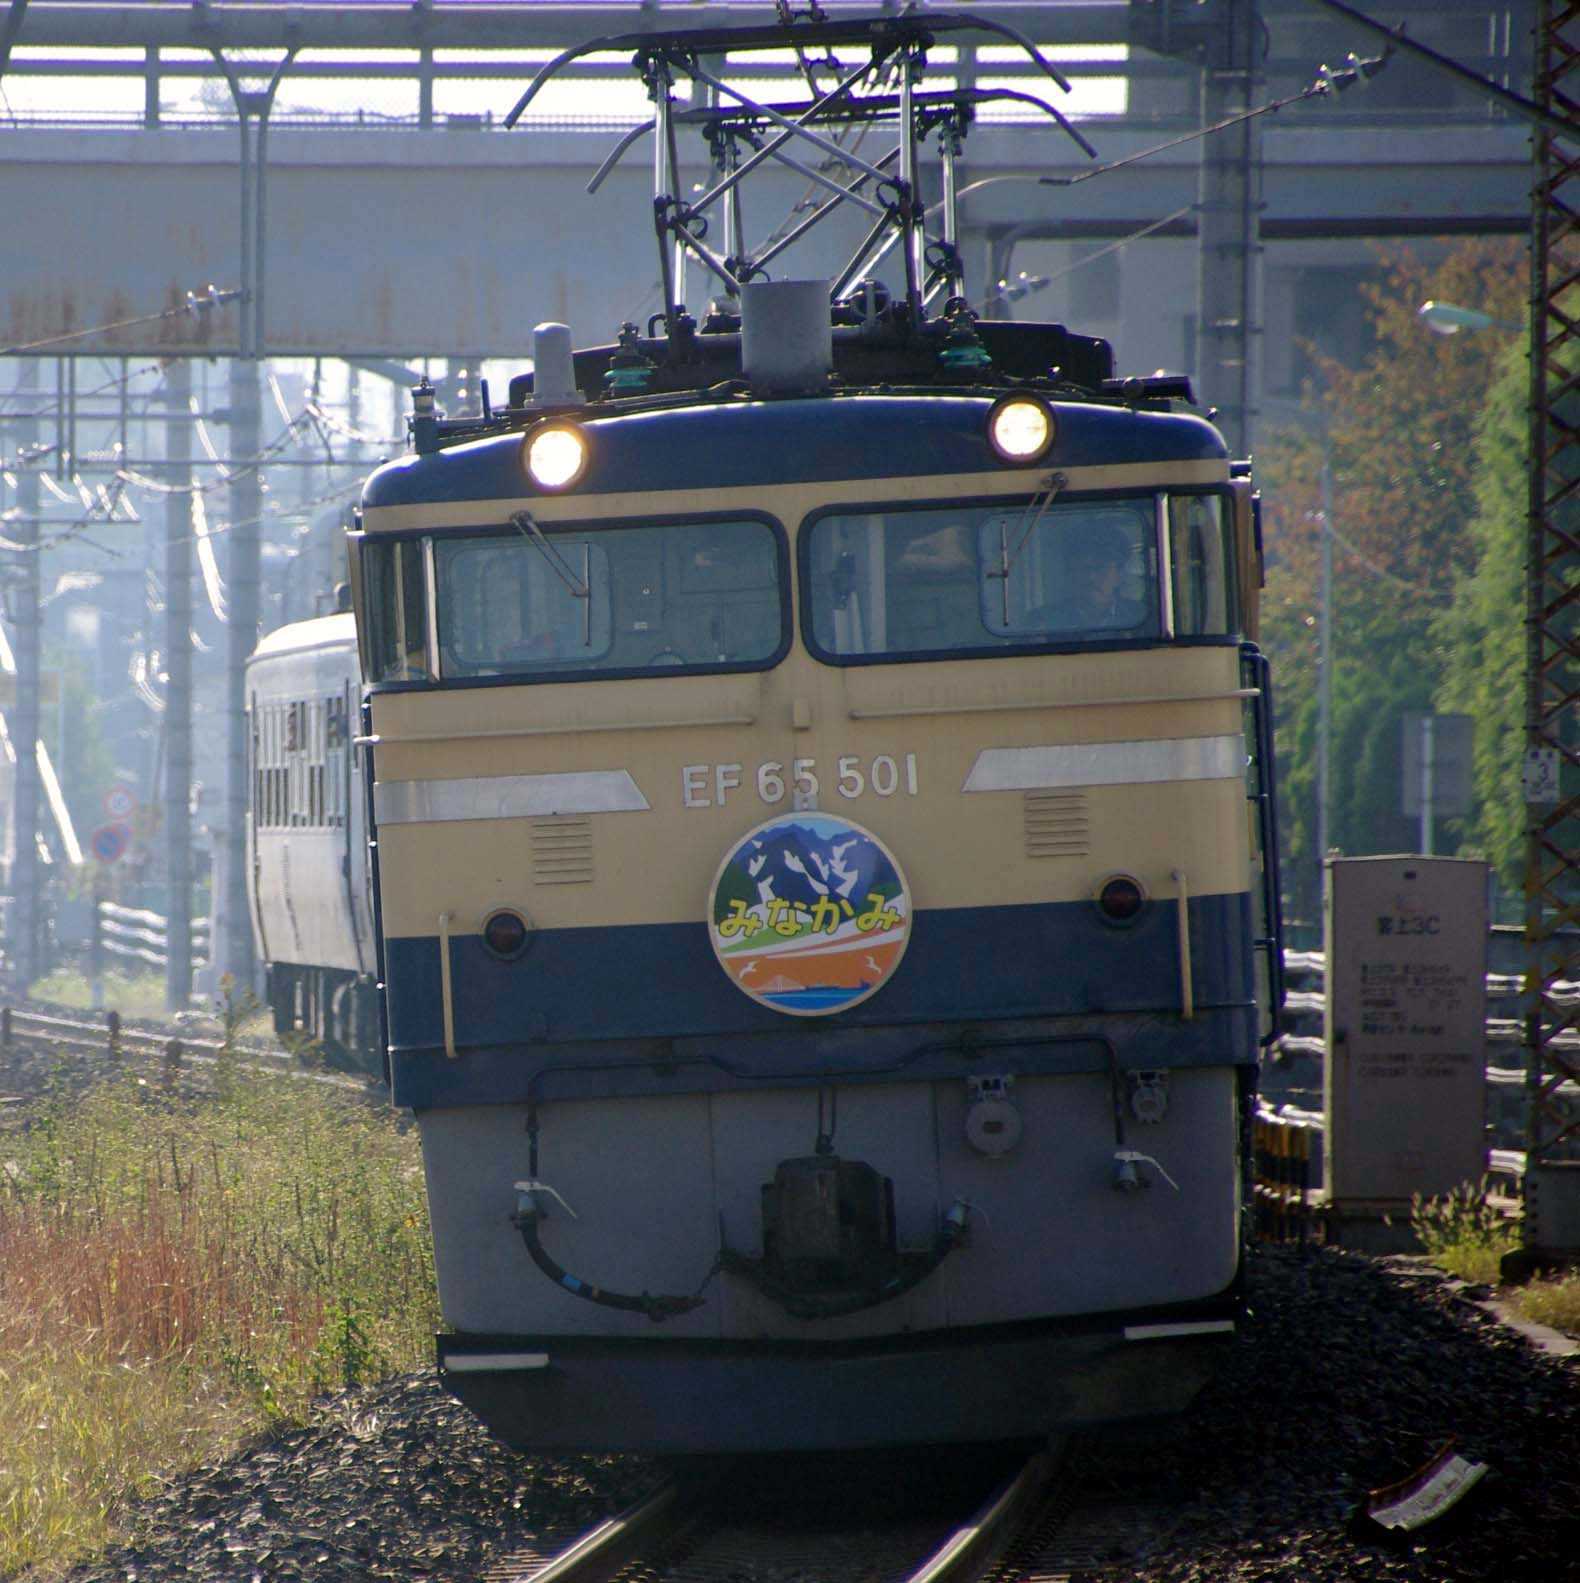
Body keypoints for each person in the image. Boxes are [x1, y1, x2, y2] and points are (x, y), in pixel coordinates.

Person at [1028, 523, 1146, 633]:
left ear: (1119, 574)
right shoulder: (1043, 621)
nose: (1091, 577)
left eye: (1100, 568)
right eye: (1082, 568)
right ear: (1069, 573)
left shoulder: (1141, 617)